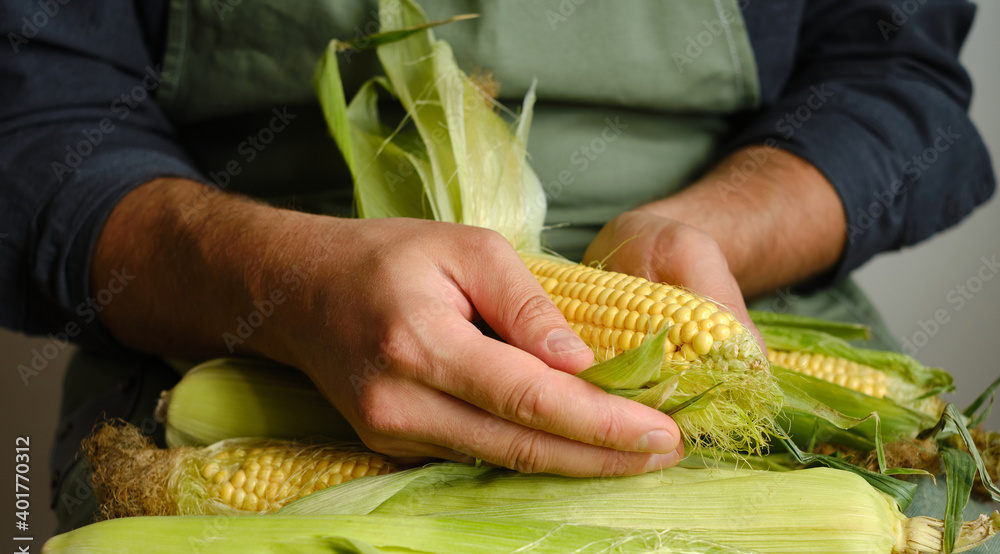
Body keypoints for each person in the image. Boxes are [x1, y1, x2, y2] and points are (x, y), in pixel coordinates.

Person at [0, 2, 993, 527]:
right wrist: (282, 280)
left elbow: (892, 72)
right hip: (241, 313)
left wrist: (710, 231)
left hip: (725, 288)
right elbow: (34, 122)